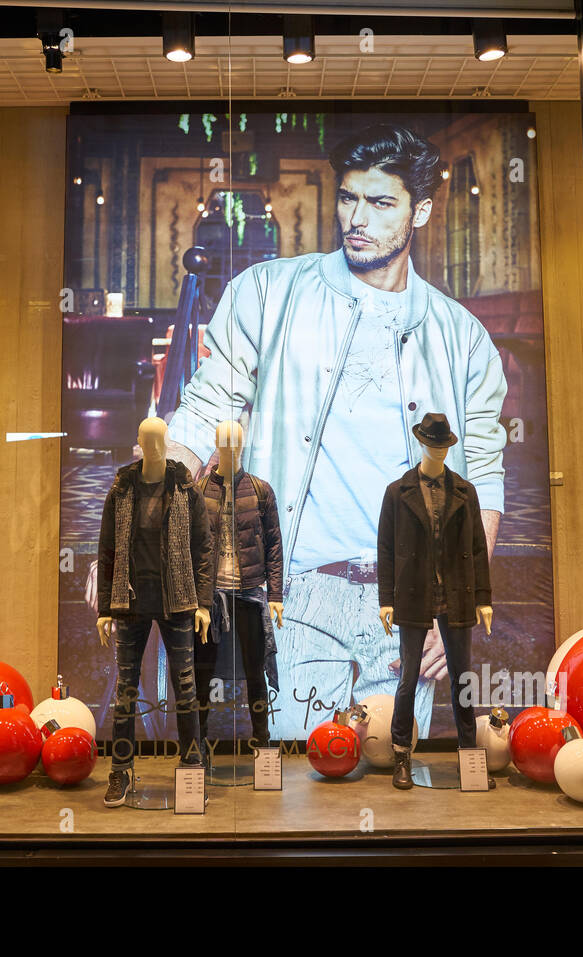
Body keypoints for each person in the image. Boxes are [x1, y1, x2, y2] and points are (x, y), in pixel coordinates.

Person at [166, 124, 507, 739]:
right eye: (349, 198)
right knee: (303, 784)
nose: (358, 218)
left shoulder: (462, 338)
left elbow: (480, 476)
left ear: (420, 211)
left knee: (396, 783)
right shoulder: (268, 293)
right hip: (301, 591)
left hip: (408, 599)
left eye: (381, 204)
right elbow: (205, 411)